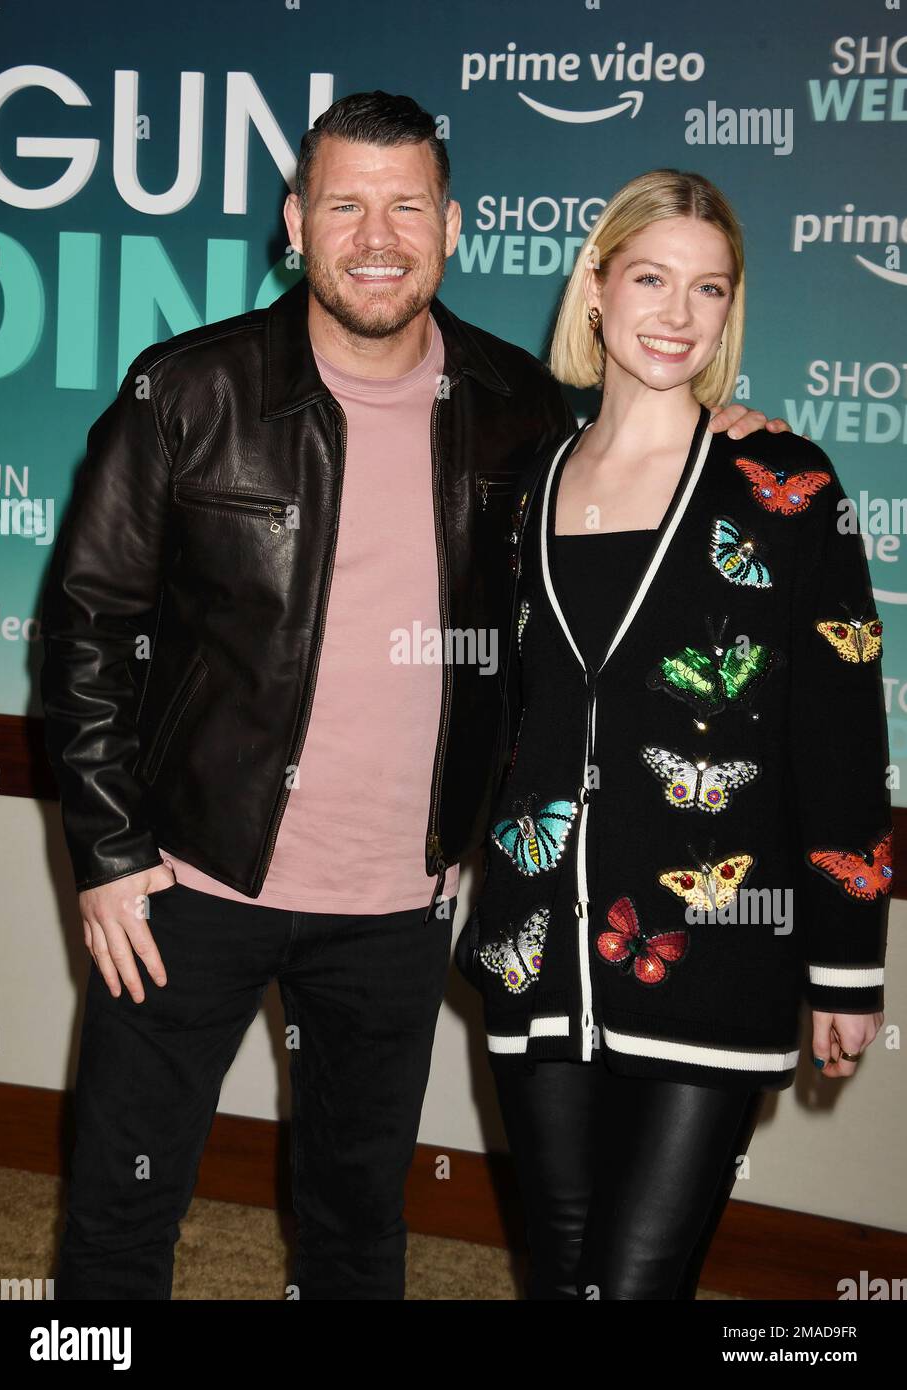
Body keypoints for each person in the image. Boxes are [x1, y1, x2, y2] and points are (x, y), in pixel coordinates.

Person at [40, 93, 783, 1301]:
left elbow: (628, 503)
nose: (376, 236)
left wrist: (731, 440)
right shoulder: (188, 391)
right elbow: (88, 623)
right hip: (186, 883)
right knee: (120, 1223)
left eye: (406, 206)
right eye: (345, 204)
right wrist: (111, 852)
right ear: (296, 223)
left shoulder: (521, 408)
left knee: (355, 1230)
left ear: (453, 227)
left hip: (400, 904)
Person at [457, 168, 892, 1300]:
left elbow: (844, 733)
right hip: (537, 945)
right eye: (651, 278)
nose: (678, 313)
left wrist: (847, 961)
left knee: (637, 1277)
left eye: (709, 288)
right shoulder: (528, 486)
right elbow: (498, 709)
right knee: (561, 1271)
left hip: (717, 946)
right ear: (596, 290)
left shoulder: (782, 482)